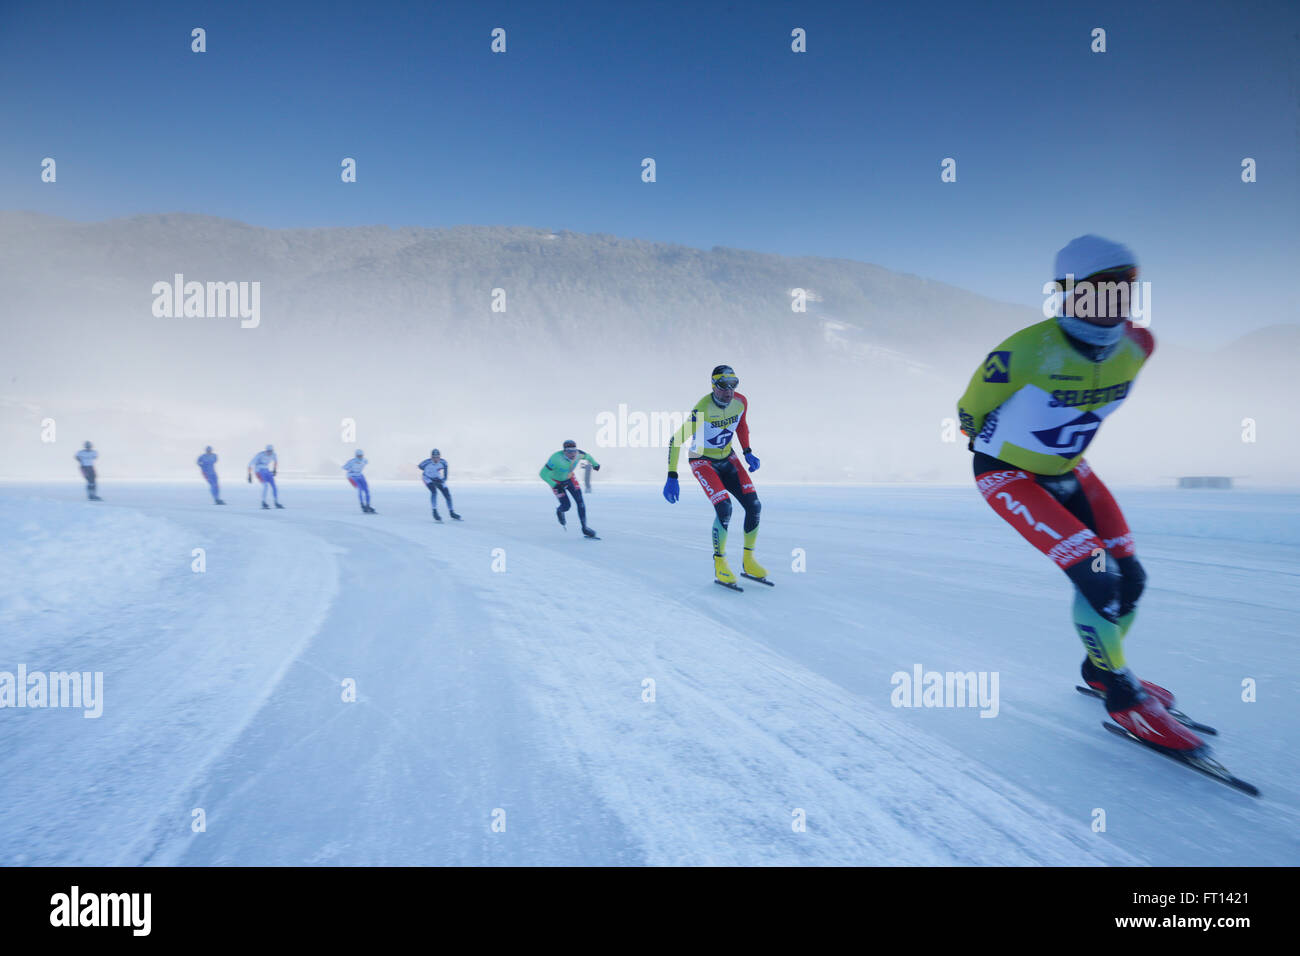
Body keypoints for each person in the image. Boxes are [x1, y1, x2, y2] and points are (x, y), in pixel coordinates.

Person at [957, 234, 1198, 752]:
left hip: (1073, 469)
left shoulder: (1140, 345)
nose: (1115, 297)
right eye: (1101, 286)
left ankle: (1098, 667)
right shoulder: (1025, 350)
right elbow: (969, 413)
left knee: (1130, 578)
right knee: (1099, 577)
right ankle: (1122, 695)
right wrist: (1003, 443)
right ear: (1066, 292)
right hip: (1010, 475)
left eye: (1125, 285)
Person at [663, 365, 766, 587]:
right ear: (713, 386)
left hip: (728, 458)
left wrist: (748, 451)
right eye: (723, 386)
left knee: (754, 505)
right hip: (702, 461)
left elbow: (742, 425)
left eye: (733, 385)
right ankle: (720, 563)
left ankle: (748, 560)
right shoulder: (702, 409)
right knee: (725, 508)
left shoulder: (741, 402)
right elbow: (676, 440)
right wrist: (672, 475)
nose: (729, 391)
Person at [539, 440, 599, 537]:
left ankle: (584, 528)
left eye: (574, 450)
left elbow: (588, 456)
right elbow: (542, 474)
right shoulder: (555, 458)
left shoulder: (579, 454)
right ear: (564, 452)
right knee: (566, 506)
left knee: (580, 502)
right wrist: (554, 484)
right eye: (569, 451)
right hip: (556, 482)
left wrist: (595, 464)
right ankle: (560, 510)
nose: (572, 454)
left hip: (570, 479)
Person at [417, 449, 461, 522]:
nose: (436, 459)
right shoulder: (426, 462)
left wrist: (442, 480)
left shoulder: (443, 462)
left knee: (447, 494)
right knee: (434, 492)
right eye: (434, 457)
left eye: (437, 457)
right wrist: (428, 473)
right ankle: (434, 511)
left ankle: (451, 512)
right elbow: (420, 466)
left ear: (439, 457)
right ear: (431, 457)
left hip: (438, 478)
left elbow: (445, 475)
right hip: (427, 478)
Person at [247, 444, 284, 509]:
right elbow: (250, 464)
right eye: (268, 451)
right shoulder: (260, 455)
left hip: (266, 470)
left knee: (274, 486)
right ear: (265, 451)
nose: (269, 453)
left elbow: (275, 462)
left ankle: (276, 502)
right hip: (259, 471)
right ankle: (263, 502)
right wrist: (249, 475)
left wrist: (275, 470)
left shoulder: (273, 454)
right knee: (265, 485)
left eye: (271, 451)